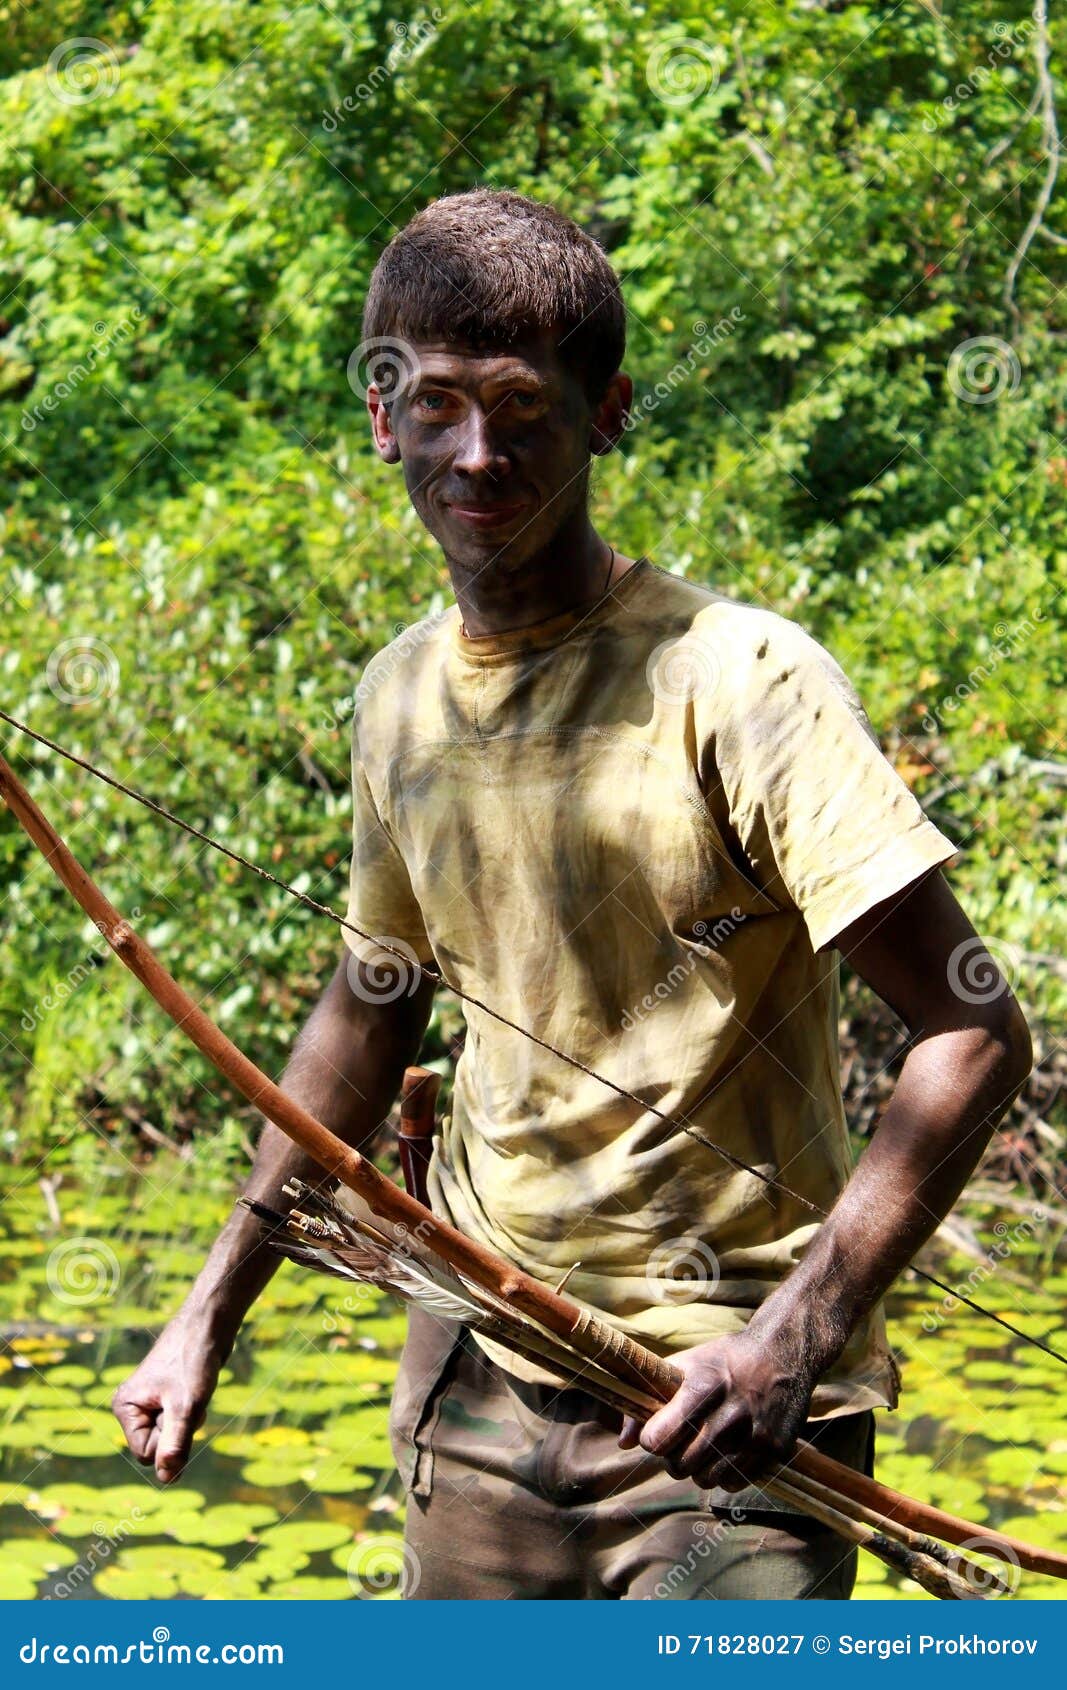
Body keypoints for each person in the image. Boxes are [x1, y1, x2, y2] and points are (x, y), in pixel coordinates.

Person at [112, 188, 1033, 1601]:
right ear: (382, 418)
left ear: (605, 415)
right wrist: (206, 1312)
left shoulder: (742, 681)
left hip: (729, 1427)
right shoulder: (401, 696)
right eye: (437, 405)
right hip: (482, 1399)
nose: (478, 454)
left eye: (523, 407)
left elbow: (975, 1030)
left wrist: (793, 1341)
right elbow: (368, 1015)